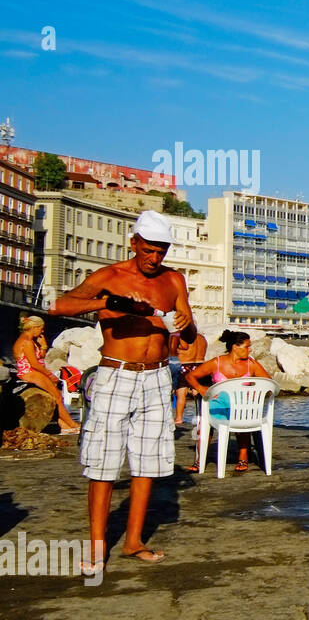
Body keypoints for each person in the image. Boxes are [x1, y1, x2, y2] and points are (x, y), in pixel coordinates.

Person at [49, 210, 197, 572]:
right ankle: (98, 548)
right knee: (102, 463)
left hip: (158, 377)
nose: (154, 257)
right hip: (116, 374)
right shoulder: (109, 276)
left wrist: (185, 325)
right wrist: (109, 303)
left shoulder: (174, 280)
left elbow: (188, 334)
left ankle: (133, 542)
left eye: (161, 250)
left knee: (147, 462)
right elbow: (58, 305)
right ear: (134, 243)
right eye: (148, 249)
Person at [183, 330, 270, 473]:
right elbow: (191, 376)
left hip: (242, 409)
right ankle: (200, 459)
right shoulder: (216, 363)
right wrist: (200, 388)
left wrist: (254, 392)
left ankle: (243, 456)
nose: (250, 349)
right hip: (219, 407)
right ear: (235, 347)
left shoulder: (251, 364)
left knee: (245, 413)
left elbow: (268, 383)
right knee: (204, 422)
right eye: (247, 346)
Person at [13, 315, 80, 433]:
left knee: (56, 394)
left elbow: (40, 358)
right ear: (34, 327)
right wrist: (50, 375)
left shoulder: (28, 340)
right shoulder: (27, 342)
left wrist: (43, 346)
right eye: (40, 328)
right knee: (57, 396)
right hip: (30, 372)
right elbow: (34, 364)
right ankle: (72, 424)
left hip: (32, 372)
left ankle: (64, 424)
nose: (42, 331)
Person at [171, 330, 208, 426]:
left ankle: (179, 418)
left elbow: (179, 349)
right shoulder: (202, 338)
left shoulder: (182, 336)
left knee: (181, 393)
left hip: (185, 364)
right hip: (200, 365)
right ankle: (201, 416)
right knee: (197, 391)